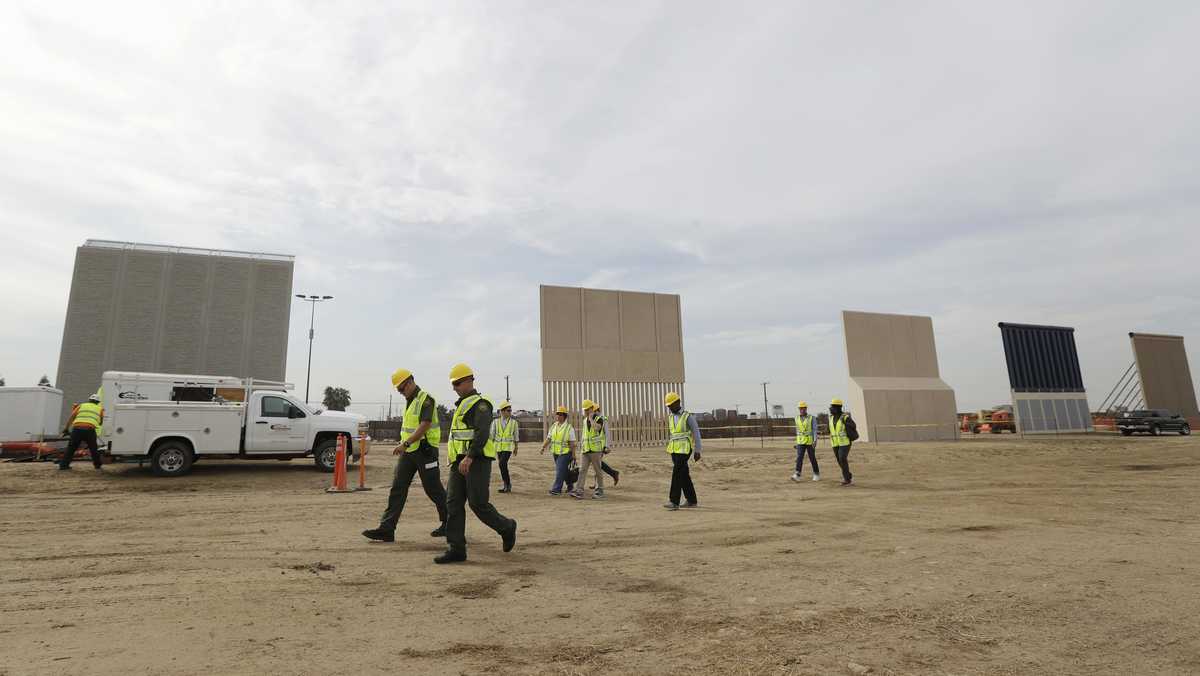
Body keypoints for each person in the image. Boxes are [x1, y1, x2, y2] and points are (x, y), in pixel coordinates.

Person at [436, 362, 517, 564]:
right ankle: (456, 548)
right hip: (459, 461)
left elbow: (481, 433)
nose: (454, 388)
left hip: (476, 460)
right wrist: (457, 458)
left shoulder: (481, 404)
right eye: (453, 384)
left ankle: (507, 527)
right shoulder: (461, 405)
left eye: (457, 383)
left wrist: (470, 456)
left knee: (478, 503)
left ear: (469, 381)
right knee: (453, 502)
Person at [362, 368, 449, 543]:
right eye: (398, 390)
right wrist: (405, 445)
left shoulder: (426, 399)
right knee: (398, 488)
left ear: (409, 382)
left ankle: (452, 523)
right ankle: (387, 529)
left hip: (425, 451)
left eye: (401, 389)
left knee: (433, 489)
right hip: (409, 452)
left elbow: (425, 425)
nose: (400, 392)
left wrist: (405, 444)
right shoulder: (410, 401)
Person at [662, 391, 703, 510]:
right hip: (674, 449)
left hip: (685, 449)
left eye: (671, 405)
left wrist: (697, 450)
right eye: (668, 406)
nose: (670, 408)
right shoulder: (671, 417)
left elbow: (696, 433)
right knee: (683, 474)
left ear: (678, 402)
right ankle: (691, 500)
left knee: (677, 473)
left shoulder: (687, 416)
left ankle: (674, 501)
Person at [572, 399, 607, 499]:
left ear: (592, 408)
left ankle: (600, 491)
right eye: (585, 410)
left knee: (598, 471)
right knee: (582, 470)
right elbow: (585, 435)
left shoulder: (599, 419)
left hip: (595, 450)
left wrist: (591, 419)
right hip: (585, 450)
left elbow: (596, 428)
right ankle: (579, 491)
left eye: (587, 409)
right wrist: (581, 445)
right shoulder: (584, 421)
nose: (586, 411)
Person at [60, 393, 104, 471]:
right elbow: (100, 423)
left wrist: (66, 429)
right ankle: (97, 465)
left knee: (71, 448)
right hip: (89, 430)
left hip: (77, 429)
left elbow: (72, 417)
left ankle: (63, 466)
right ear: (98, 402)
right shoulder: (100, 409)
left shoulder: (81, 406)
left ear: (89, 400)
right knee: (93, 448)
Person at [540, 405, 577, 495]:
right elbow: (549, 438)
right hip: (555, 453)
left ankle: (556, 489)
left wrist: (573, 455)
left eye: (560, 414)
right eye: (557, 414)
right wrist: (543, 447)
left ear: (564, 416)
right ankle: (570, 485)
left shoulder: (569, 428)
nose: (558, 416)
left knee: (560, 470)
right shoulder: (554, 426)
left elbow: (572, 443)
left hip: (565, 453)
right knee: (564, 470)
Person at [828, 398, 858, 486]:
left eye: (832, 407)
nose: (830, 408)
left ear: (838, 408)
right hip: (835, 443)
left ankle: (847, 479)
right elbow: (829, 429)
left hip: (845, 442)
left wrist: (847, 430)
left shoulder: (845, 417)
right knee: (839, 460)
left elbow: (853, 426)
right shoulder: (831, 418)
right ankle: (848, 475)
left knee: (842, 458)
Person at [492, 400, 519, 493]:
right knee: (502, 466)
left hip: (508, 447)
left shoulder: (514, 423)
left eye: (510, 410)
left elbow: (516, 435)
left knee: (502, 464)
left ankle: (507, 484)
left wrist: (516, 447)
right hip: (498, 447)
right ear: (502, 411)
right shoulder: (495, 422)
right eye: (508, 410)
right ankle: (506, 485)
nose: (510, 412)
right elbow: (492, 435)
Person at [791, 400, 820, 482]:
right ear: (799, 409)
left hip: (810, 442)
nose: (802, 410)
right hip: (800, 441)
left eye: (803, 408)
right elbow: (798, 431)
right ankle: (797, 474)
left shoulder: (812, 418)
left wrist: (815, 440)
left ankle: (816, 474)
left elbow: (814, 430)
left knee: (812, 458)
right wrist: (797, 443)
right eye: (800, 408)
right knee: (799, 457)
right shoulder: (796, 418)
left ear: (806, 409)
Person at [595, 403, 620, 487]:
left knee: (597, 463)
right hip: (596, 445)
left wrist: (607, 446)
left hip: (601, 446)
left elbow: (607, 433)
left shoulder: (602, 419)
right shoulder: (596, 419)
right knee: (597, 463)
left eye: (594, 411)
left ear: (597, 410)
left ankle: (612, 474)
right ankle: (613, 473)